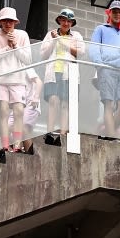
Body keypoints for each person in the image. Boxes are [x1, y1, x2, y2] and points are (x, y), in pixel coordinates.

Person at [0, 7, 35, 154]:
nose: (8, 24)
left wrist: (16, 46)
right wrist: (7, 48)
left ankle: (17, 145)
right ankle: (6, 145)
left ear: (15, 22)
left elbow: (28, 59)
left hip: (18, 78)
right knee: (4, 112)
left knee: (19, 111)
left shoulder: (22, 35)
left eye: (11, 21)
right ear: (0, 22)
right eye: (5, 21)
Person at [88, 0, 120, 138]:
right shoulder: (101, 29)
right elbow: (94, 48)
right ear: (109, 13)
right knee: (108, 104)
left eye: (119, 12)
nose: (116, 14)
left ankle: (108, 131)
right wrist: (100, 65)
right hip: (107, 69)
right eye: (114, 11)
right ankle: (110, 137)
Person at [38, 9, 85, 145]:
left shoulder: (76, 35)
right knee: (53, 101)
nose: (66, 23)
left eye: (69, 21)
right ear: (59, 20)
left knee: (66, 104)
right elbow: (43, 55)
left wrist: (62, 43)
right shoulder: (50, 34)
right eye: (63, 20)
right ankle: (49, 132)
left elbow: (81, 52)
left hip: (69, 73)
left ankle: (63, 134)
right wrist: (54, 41)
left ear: (72, 23)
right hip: (53, 72)